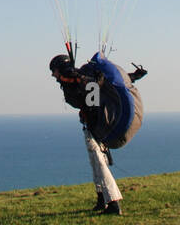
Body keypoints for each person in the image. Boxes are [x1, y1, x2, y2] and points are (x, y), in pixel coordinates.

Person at [50, 52, 146, 215]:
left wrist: (95, 85)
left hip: (96, 126)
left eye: (54, 71)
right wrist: (133, 76)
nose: (53, 75)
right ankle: (102, 198)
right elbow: (108, 84)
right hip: (95, 124)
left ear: (60, 68)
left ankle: (113, 203)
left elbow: (93, 93)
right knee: (96, 163)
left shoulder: (74, 77)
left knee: (99, 163)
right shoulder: (79, 76)